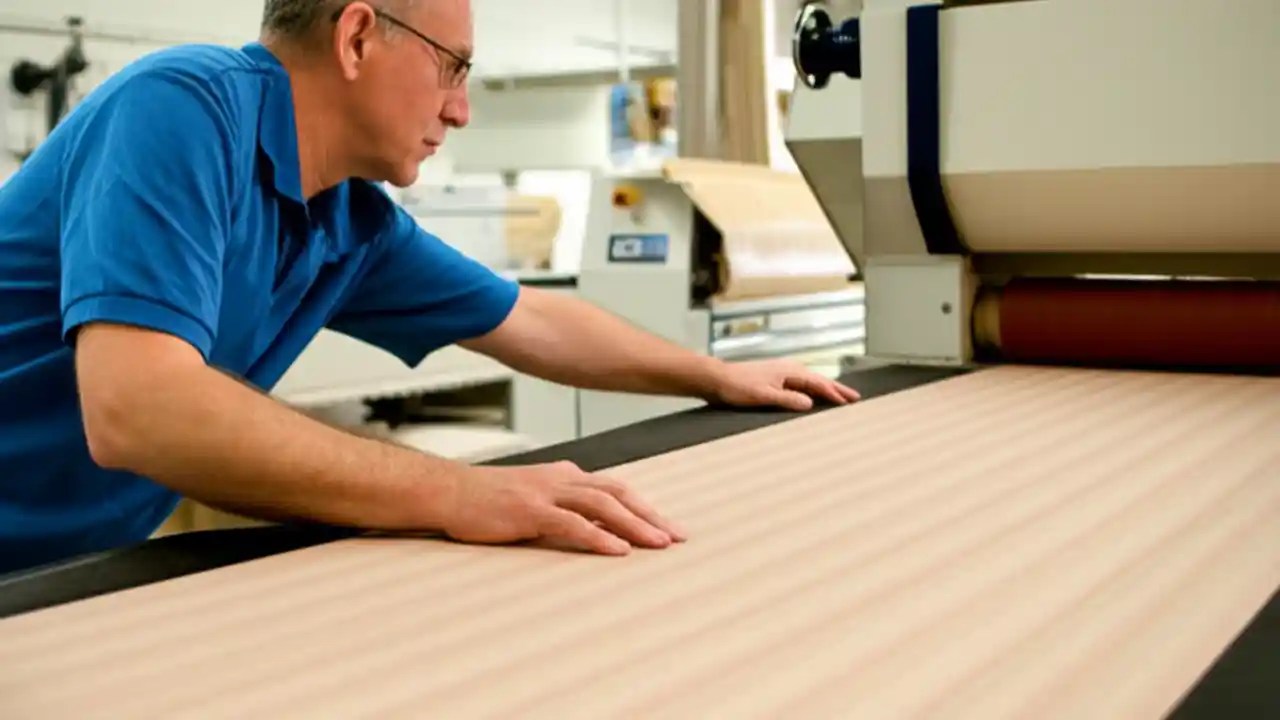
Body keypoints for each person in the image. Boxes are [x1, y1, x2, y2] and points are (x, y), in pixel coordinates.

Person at [0, 0, 859, 575]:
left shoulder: (349, 221)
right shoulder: (182, 107)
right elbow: (139, 409)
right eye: (453, 67)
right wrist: (458, 491)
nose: (461, 110)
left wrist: (715, 375)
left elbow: (531, 320)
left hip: (53, 579)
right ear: (358, 36)